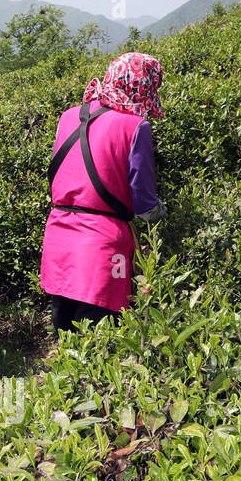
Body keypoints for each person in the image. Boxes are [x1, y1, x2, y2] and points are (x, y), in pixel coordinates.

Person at [40, 52, 166, 333]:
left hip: (58, 239)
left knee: (67, 341)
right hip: (103, 250)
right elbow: (145, 204)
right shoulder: (136, 127)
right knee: (102, 342)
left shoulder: (69, 116)